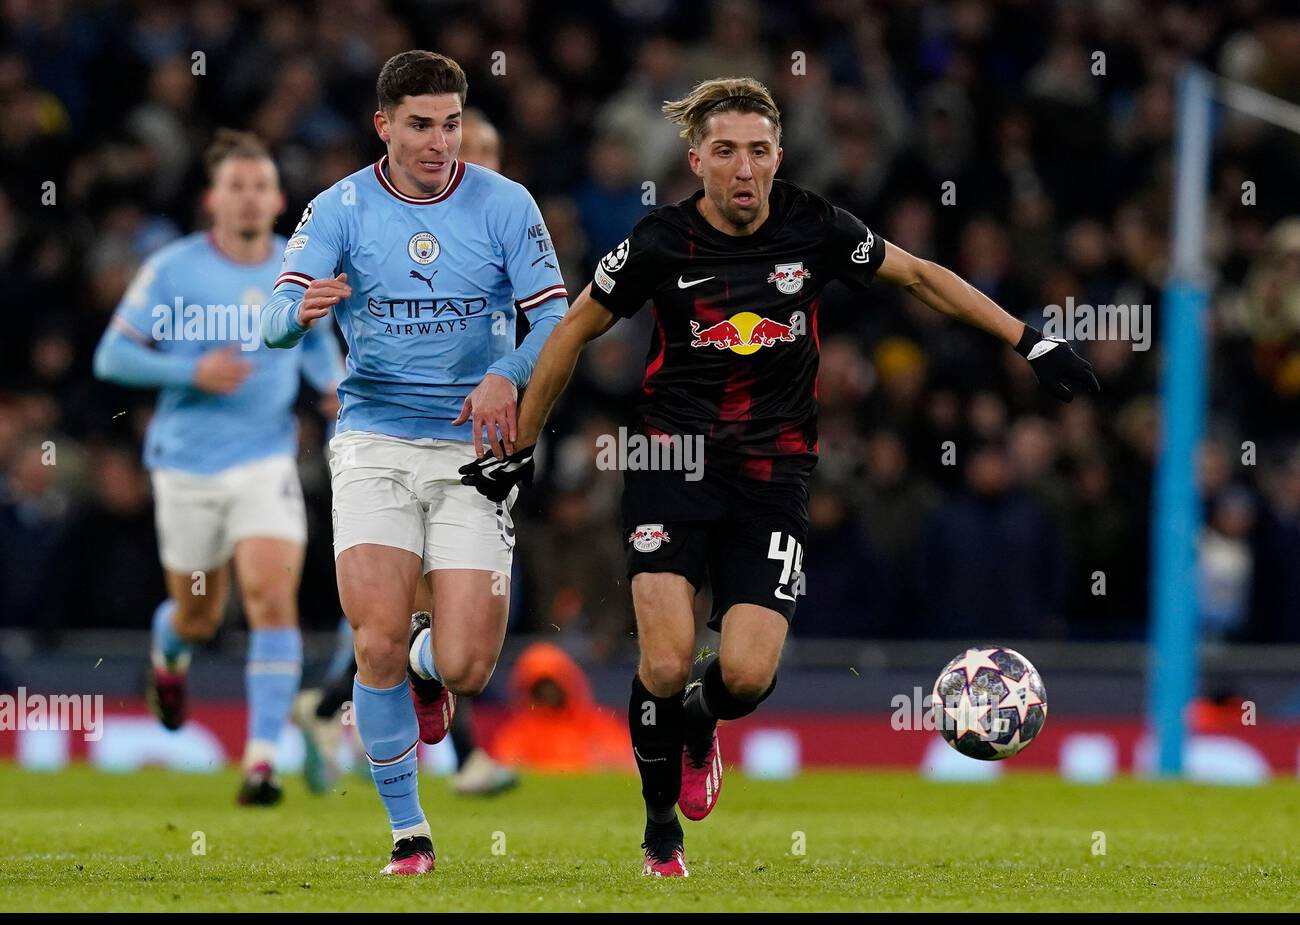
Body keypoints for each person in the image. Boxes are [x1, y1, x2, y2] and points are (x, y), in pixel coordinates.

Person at [461, 77, 1099, 877]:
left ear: (778, 157)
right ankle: (661, 831)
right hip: (671, 461)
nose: (743, 168)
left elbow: (922, 276)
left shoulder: (814, 225)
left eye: (758, 151)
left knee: (748, 674)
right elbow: (571, 332)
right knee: (662, 661)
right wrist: (521, 442)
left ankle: (700, 720)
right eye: (725, 150)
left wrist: (1029, 341)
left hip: (774, 474)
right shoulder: (659, 242)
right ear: (696, 159)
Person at [261, 51, 567, 875]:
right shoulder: (339, 207)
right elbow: (272, 319)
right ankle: (410, 834)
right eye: (422, 125)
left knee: (464, 662)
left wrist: (508, 372)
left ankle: (432, 678)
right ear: (384, 126)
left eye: (452, 124)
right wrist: (299, 314)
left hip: (474, 447)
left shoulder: (506, 204)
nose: (439, 142)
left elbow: (557, 318)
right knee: (377, 641)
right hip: (374, 443)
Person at [93, 129, 344, 806]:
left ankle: (261, 761)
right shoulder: (172, 268)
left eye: (260, 185)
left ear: (279, 199)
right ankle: (169, 651)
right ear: (212, 199)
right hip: (186, 467)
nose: (249, 197)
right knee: (200, 616)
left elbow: (320, 349)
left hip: (265, 461)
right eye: (236, 186)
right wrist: (190, 369)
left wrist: (332, 390)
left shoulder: (297, 271)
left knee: (270, 599)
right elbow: (111, 356)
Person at [293, 106, 522, 799]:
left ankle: (330, 698)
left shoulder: (507, 230)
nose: (461, 158)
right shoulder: (374, 220)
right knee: (404, 615)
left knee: (442, 631)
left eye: (479, 147)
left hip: (486, 444)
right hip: (392, 437)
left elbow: (544, 336)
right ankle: (452, 761)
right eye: (454, 142)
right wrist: (336, 378)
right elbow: (323, 308)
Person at [490, 642, 629, 772]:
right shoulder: (518, 731)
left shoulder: (598, 723)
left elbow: (622, 759)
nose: (547, 693)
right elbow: (508, 763)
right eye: (540, 688)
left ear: (567, 684)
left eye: (552, 686)